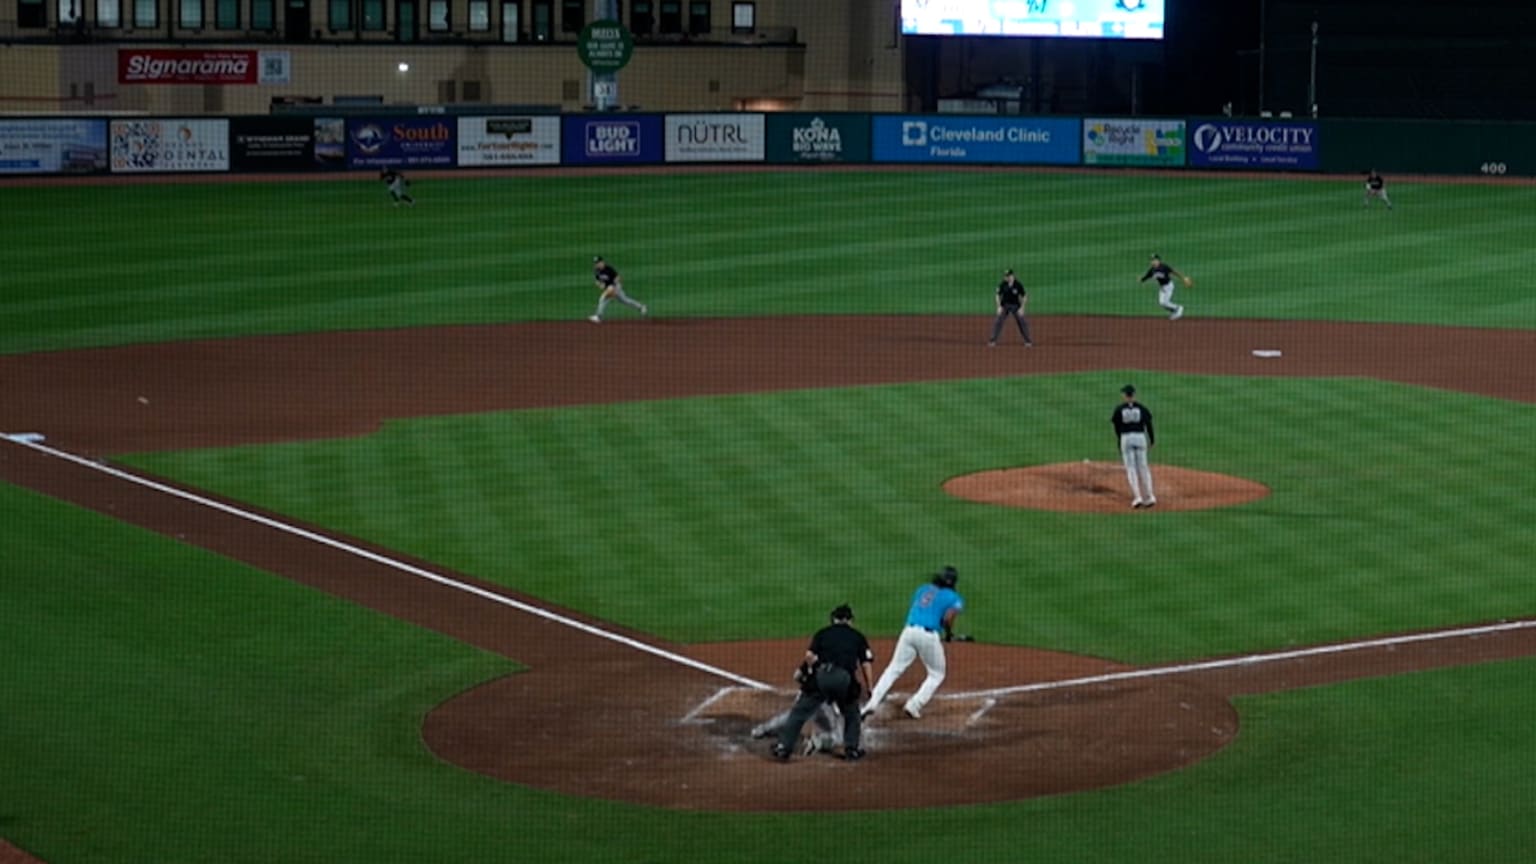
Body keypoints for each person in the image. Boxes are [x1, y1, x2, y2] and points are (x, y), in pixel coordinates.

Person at [771, 604, 874, 762]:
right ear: (850, 620)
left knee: (799, 713)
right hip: (844, 680)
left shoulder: (823, 633)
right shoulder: (858, 636)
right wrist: (869, 688)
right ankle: (851, 750)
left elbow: (809, 656)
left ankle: (784, 748)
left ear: (833, 619)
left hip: (822, 677)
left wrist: (802, 672)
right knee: (852, 713)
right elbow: (866, 664)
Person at [860, 566, 965, 721]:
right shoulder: (954, 597)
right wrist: (949, 634)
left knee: (894, 668)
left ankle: (872, 703)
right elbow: (948, 618)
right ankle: (914, 705)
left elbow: (919, 607)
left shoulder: (923, 589)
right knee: (937, 674)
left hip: (908, 631)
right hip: (928, 635)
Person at [1112, 384, 1156, 508]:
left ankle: (1138, 498)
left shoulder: (1119, 409)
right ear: (1134, 395)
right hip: (1140, 438)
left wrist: (1119, 440)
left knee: (1131, 468)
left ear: (1125, 395)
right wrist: (1152, 439)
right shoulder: (1142, 408)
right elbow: (1149, 424)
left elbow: (1117, 427)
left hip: (1126, 438)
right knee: (1143, 467)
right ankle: (1150, 496)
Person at [589, 255, 648, 323]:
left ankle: (599, 316)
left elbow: (618, 278)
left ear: (602, 262)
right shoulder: (596, 271)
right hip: (608, 288)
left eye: (598, 262)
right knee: (625, 300)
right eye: (596, 263)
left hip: (616, 287)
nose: (597, 264)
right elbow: (597, 281)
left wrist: (613, 288)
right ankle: (641, 307)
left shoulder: (609, 269)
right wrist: (600, 285)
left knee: (603, 299)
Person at [988, 268, 1033, 348]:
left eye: (1008, 276)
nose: (1006, 277)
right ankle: (992, 340)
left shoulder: (1018, 284)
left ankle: (1028, 341)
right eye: (1006, 276)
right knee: (998, 322)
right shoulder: (1003, 284)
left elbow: (1024, 296)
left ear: (1012, 276)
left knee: (1022, 322)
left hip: (1015, 306)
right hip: (1004, 305)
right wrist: (998, 307)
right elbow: (997, 295)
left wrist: (1022, 308)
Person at [1139, 253, 1190, 321]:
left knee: (1165, 302)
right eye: (1151, 260)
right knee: (1162, 303)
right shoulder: (1152, 270)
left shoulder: (1164, 267)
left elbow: (1174, 272)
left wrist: (1183, 278)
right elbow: (1147, 277)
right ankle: (1175, 310)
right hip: (1162, 288)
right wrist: (1141, 280)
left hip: (1169, 286)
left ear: (1158, 260)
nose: (1152, 261)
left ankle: (1179, 308)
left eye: (1154, 260)